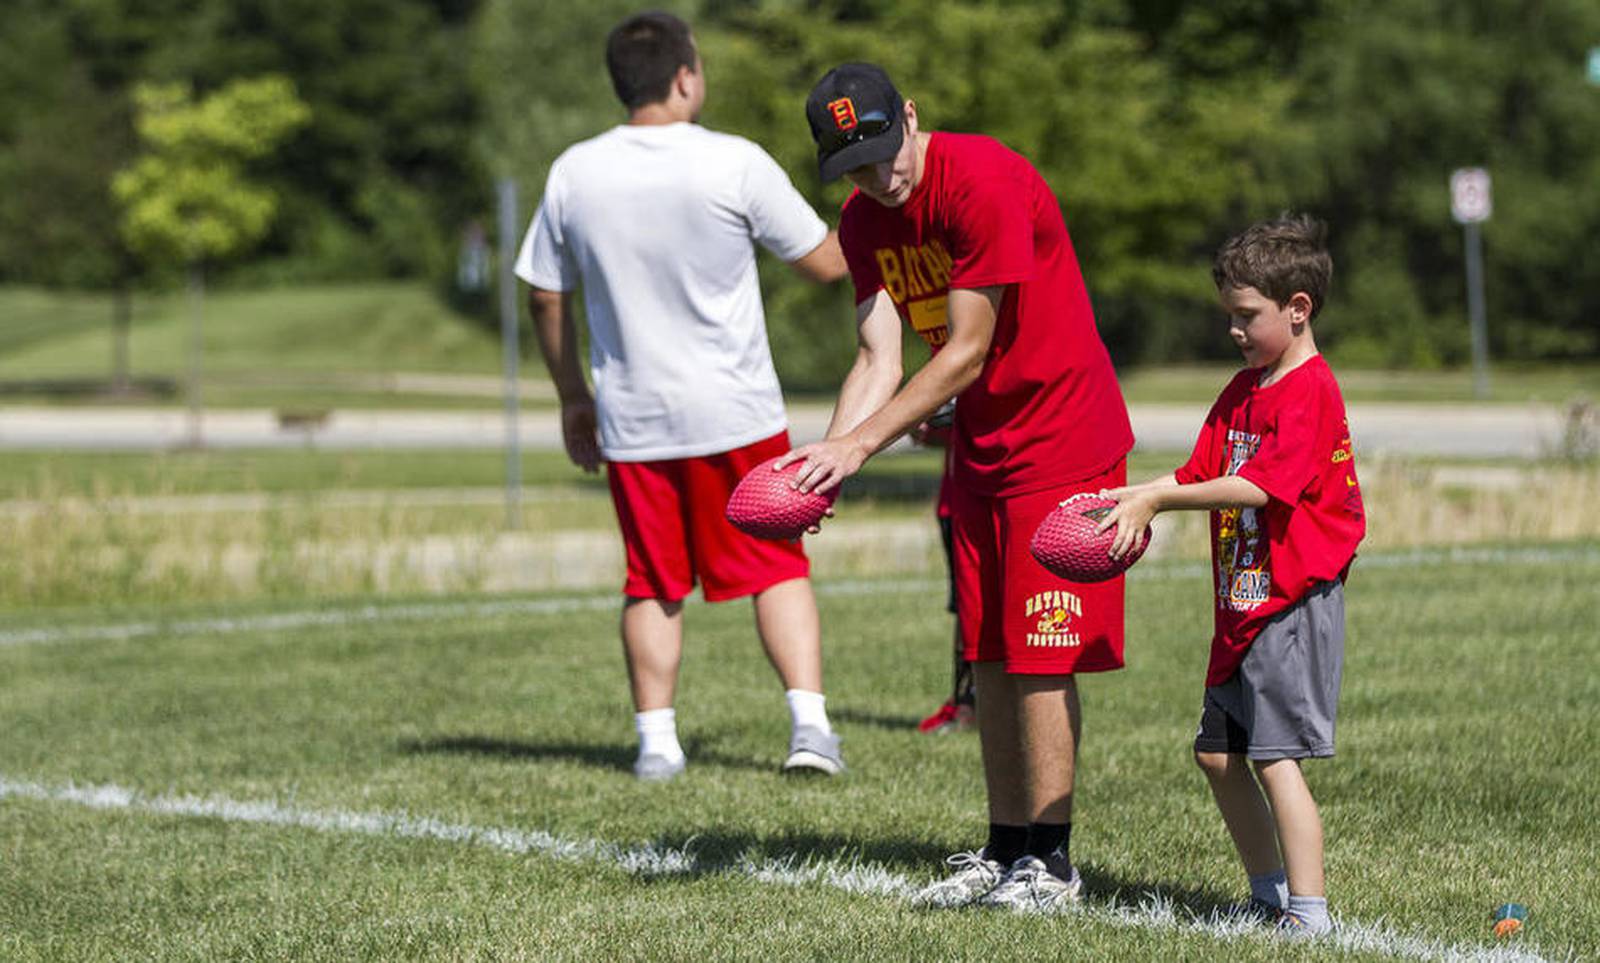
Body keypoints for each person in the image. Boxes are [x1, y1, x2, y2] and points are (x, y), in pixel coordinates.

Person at [781, 63, 1133, 911]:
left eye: (883, 149)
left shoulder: (983, 181)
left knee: (1041, 653)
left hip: (1060, 438)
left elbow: (968, 348)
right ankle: (1006, 846)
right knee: (989, 653)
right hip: (979, 447)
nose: (878, 175)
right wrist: (822, 463)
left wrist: (863, 445)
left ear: (910, 113)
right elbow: (878, 355)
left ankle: (1052, 863)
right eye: (854, 165)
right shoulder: (864, 222)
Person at [516, 11, 850, 782]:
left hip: (635, 419)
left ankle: (657, 742)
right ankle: (809, 728)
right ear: (686, 78)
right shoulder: (734, 162)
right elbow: (827, 263)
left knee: (651, 581)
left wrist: (575, 397)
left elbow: (544, 294)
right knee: (777, 566)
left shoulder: (574, 170)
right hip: (738, 412)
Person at [1097, 215, 1365, 935]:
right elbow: (1198, 473)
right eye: (1231, 317)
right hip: (1239, 604)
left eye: (1247, 316)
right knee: (1218, 754)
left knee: (1275, 757)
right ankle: (1267, 892)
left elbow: (1259, 487)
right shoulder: (1243, 389)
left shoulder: (1309, 391)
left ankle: (1310, 914)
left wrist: (1159, 499)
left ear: (1298, 308)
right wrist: (1134, 494)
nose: (1235, 331)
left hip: (1288, 603)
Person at [914, 402, 975, 734]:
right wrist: (925, 422)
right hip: (959, 499)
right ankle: (966, 700)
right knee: (968, 607)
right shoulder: (942, 351)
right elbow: (927, 432)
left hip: (1013, 493)